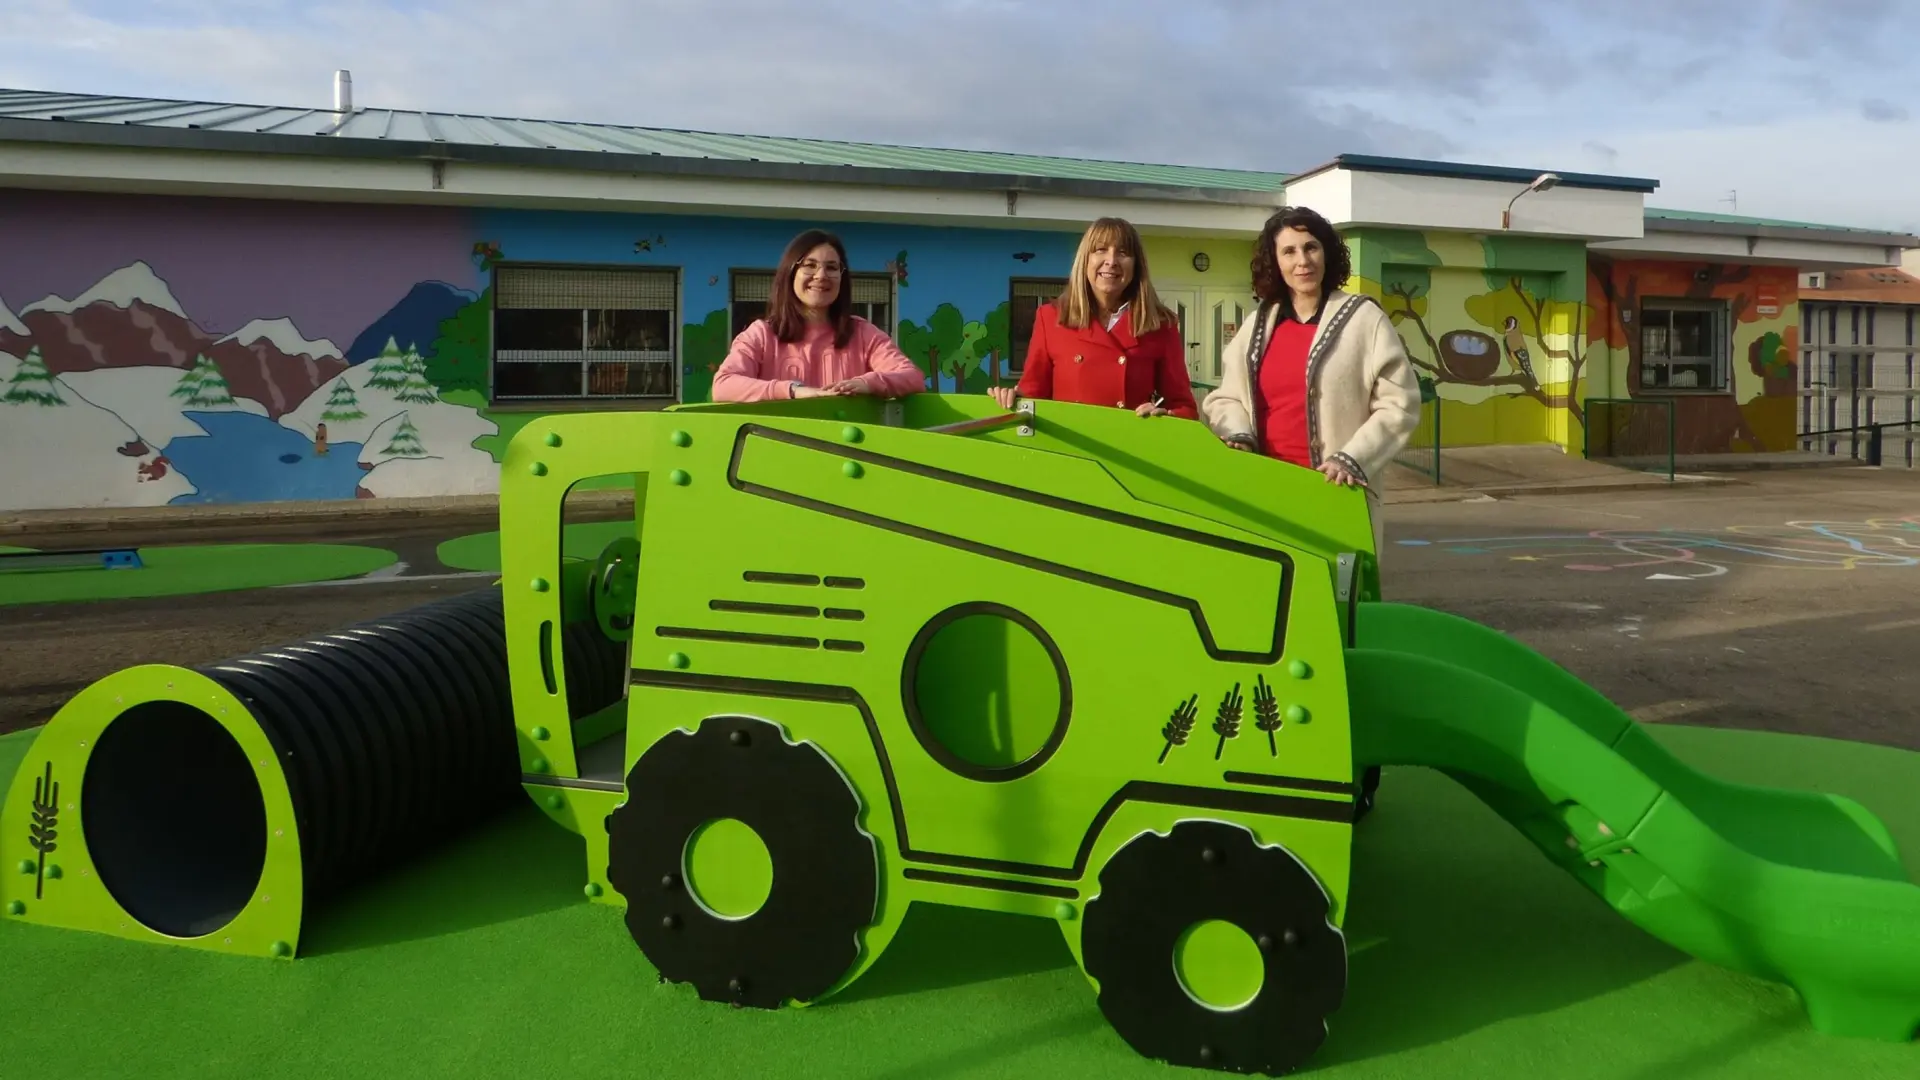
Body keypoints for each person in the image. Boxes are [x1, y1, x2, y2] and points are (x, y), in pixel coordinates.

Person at [1201, 205, 1422, 549]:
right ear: (1275, 261)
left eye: (1311, 247)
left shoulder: (1364, 318)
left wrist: (1352, 458)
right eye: (1289, 251)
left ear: (1326, 253)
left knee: (1337, 592)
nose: (1302, 260)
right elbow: (1227, 396)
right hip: (1266, 490)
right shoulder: (1258, 323)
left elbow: (1400, 404)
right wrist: (1239, 434)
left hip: (1337, 489)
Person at [987, 217, 1198, 420]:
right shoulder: (1050, 317)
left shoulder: (1160, 324)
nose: (1111, 261)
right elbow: (1032, 397)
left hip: (1131, 448)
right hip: (1072, 450)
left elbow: (1184, 408)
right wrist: (1012, 399)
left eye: (1123, 252)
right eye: (1100, 250)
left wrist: (1165, 416)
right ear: (1085, 260)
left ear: (1136, 266)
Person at [711, 229, 926, 402]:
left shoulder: (863, 333)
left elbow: (912, 377)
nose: (821, 276)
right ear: (790, 273)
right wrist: (794, 391)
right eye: (810, 266)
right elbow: (724, 385)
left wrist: (867, 383)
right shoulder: (761, 335)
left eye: (832, 268)